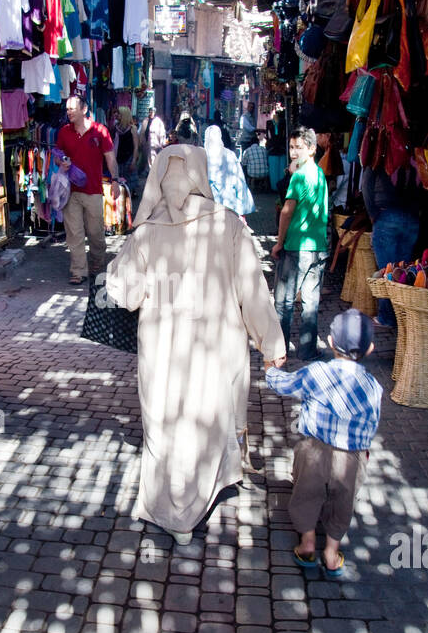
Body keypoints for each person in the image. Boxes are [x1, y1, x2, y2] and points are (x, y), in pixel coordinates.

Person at [105, 144, 285, 546]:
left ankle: (169, 507)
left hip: (163, 353)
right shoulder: (230, 226)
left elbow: (124, 292)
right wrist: (272, 343)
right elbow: (254, 294)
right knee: (206, 419)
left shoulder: (148, 233)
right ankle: (205, 493)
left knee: (167, 427)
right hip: (215, 350)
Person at [265, 309, 382, 578]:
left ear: (330, 342)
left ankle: (307, 543)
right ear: (371, 348)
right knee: (343, 502)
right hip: (351, 457)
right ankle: (331, 552)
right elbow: (372, 424)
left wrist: (271, 369)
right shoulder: (374, 386)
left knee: (306, 494)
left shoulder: (317, 373)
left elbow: (284, 385)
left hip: (314, 449)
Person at [272, 127, 329, 361]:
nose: (293, 152)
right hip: (318, 246)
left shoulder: (299, 176)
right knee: (310, 302)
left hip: (297, 245)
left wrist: (279, 242)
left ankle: (280, 349)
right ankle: (307, 350)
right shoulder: (319, 173)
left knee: (283, 302)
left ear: (312, 149)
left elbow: (287, 211)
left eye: (299, 147)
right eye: (292, 147)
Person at [57, 95, 119, 285]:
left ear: (84, 109)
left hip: (93, 190)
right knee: (74, 233)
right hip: (71, 190)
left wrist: (115, 180)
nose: (69, 112)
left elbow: (110, 158)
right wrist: (61, 162)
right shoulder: (63, 132)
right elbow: (59, 155)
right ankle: (78, 271)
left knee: (95, 233)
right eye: (67, 109)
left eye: (72, 108)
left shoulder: (100, 131)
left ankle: (97, 265)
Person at [365, 166, 422, 329]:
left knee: (388, 271)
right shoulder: (413, 151)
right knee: (403, 271)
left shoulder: (380, 149)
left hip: (387, 214)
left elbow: (366, 185)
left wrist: (373, 214)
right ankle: (401, 316)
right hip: (411, 217)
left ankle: (388, 317)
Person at [204, 124, 254, 216]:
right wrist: (242, 206)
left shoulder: (202, 155)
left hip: (208, 203)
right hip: (230, 202)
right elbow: (239, 180)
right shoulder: (230, 154)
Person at [112, 106, 141, 195]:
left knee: (129, 183)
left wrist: (133, 161)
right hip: (118, 159)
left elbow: (136, 146)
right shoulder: (115, 128)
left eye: (119, 113)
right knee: (120, 182)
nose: (117, 115)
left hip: (128, 158)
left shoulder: (133, 129)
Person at [140, 105, 167, 181]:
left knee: (153, 157)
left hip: (155, 142)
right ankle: (150, 171)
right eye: (150, 111)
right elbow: (142, 131)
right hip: (147, 142)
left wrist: (162, 142)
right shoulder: (146, 120)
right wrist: (141, 141)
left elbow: (162, 132)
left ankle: (153, 172)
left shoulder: (158, 121)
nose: (151, 113)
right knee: (148, 157)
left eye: (153, 111)